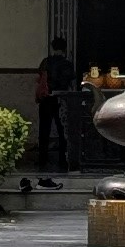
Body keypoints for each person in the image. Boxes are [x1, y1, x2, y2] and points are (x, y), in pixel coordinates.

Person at [35, 33, 76, 179]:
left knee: (44, 129)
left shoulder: (45, 62)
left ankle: (42, 158)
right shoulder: (67, 64)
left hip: (46, 99)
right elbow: (71, 80)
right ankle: (63, 159)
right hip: (62, 100)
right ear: (64, 49)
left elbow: (39, 78)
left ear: (52, 47)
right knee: (62, 129)